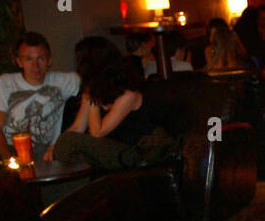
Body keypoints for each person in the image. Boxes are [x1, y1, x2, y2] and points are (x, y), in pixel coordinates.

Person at [47, 36, 175, 170]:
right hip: (110, 152)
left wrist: (93, 97)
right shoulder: (91, 94)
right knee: (67, 142)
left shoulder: (128, 95)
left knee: (69, 141)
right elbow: (77, 127)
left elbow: (97, 132)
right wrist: (55, 145)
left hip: (134, 152)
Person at [0, 32, 81, 162]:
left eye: (40, 58)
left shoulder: (65, 81)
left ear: (49, 60)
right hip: (12, 148)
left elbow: (95, 84)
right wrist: (8, 159)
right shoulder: (5, 83)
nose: (35, 66)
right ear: (19, 61)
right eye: (28, 59)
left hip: (46, 152)